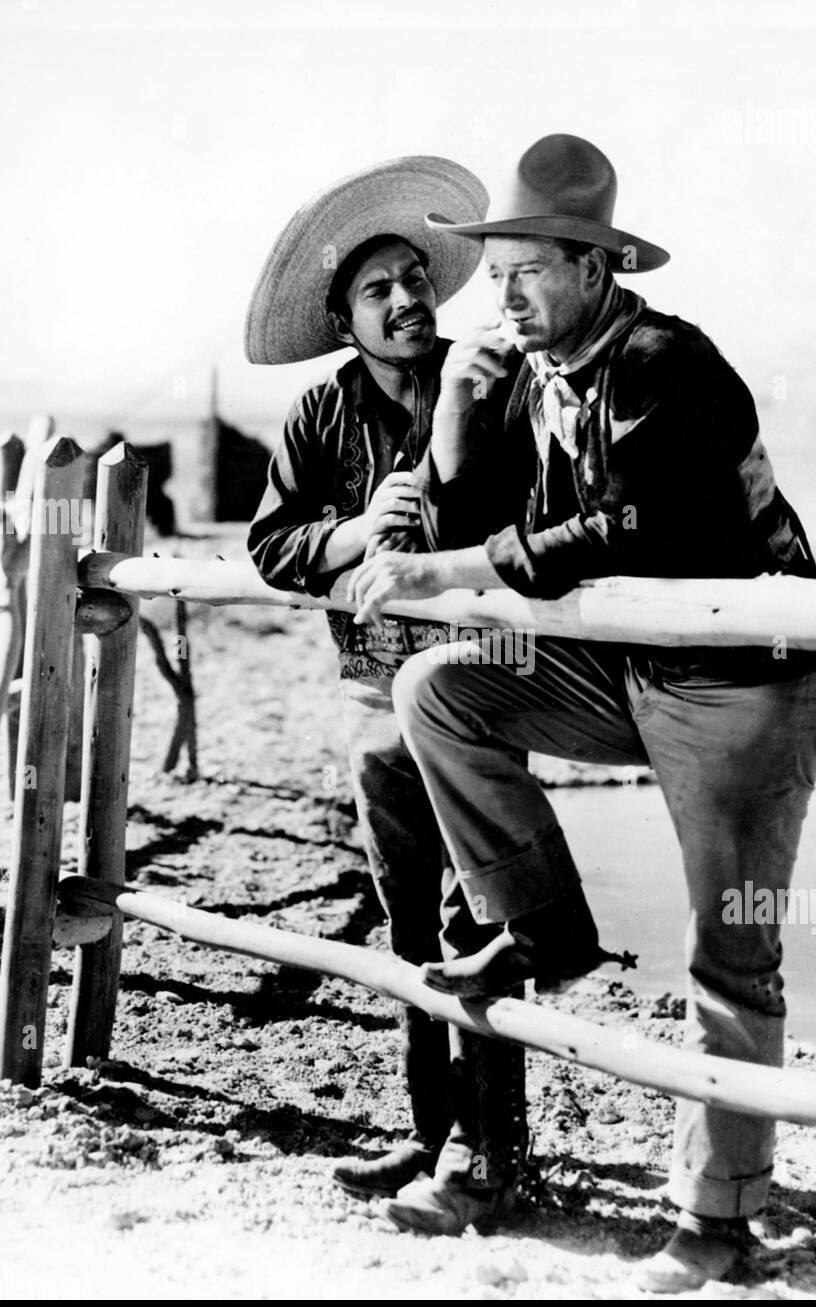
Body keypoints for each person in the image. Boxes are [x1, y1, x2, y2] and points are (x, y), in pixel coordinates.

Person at [345, 134, 816, 1284]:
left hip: (744, 686)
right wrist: (463, 398)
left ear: (592, 269)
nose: (500, 294)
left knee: (728, 954)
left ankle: (714, 1225)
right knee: (440, 690)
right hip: (632, 673)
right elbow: (468, 500)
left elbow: (636, 527)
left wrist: (449, 571)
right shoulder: (536, 368)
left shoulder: (668, 360)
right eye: (494, 270)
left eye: (523, 270)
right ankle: (546, 931)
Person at [244, 155, 531, 1235]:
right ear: (343, 315)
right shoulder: (320, 416)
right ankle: (428, 1131)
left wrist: (447, 514)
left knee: (480, 919)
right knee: (407, 919)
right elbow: (271, 542)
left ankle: (496, 1152)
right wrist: (355, 532)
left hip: (479, 692)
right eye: (380, 288)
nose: (408, 299)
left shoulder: (488, 380)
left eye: (417, 276)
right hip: (372, 698)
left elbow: (527, 521)